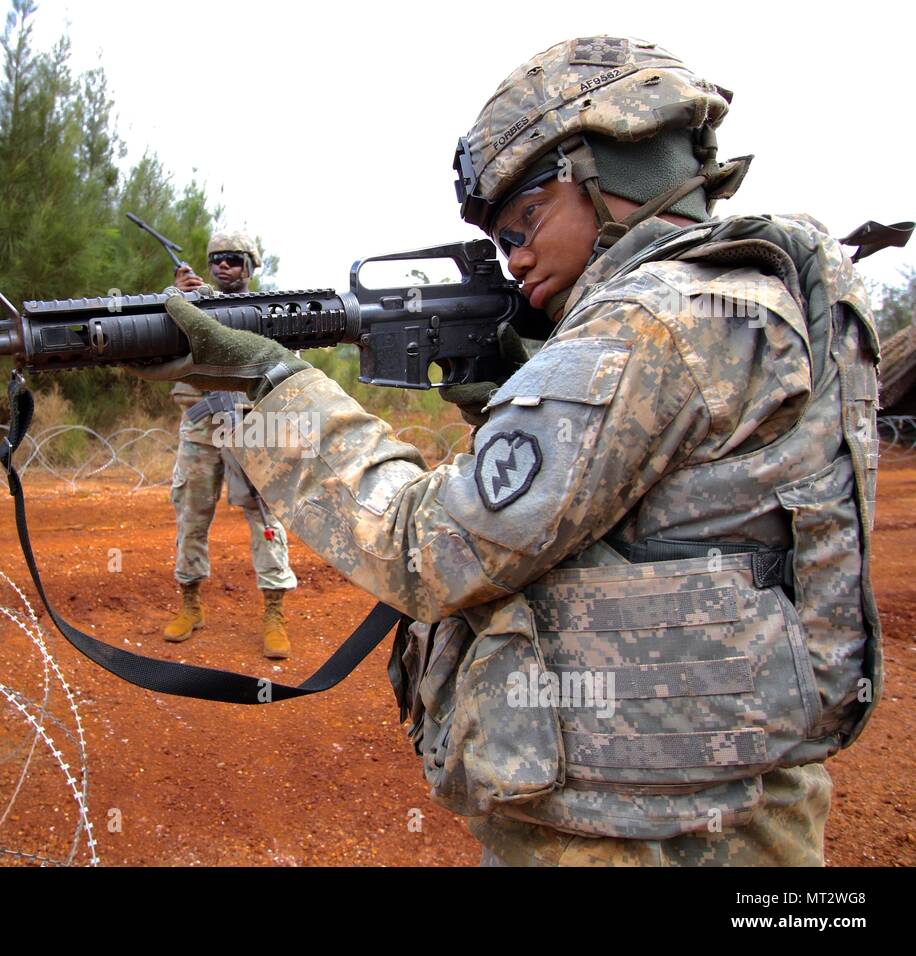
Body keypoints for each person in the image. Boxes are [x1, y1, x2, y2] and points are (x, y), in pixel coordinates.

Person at [127, 36, 885, 865]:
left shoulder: (657, 317)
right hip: (706, 799)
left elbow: (429, 547)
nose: (515, 256)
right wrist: (511, 396)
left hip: (645, 834)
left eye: (526, 221)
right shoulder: (736, 295)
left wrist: (273, 385)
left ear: (609, 173)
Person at [160, 231, 298, 659]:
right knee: (191, 516)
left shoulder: (265, 311)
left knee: (265, 518)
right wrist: (173, 296)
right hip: (200, 428)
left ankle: (274, 613)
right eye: (217, 259)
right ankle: (190, 606)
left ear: (250, 266)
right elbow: (152, 334)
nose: (223, 266)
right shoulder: (189, 304)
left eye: (233, 260)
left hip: (250, 426)